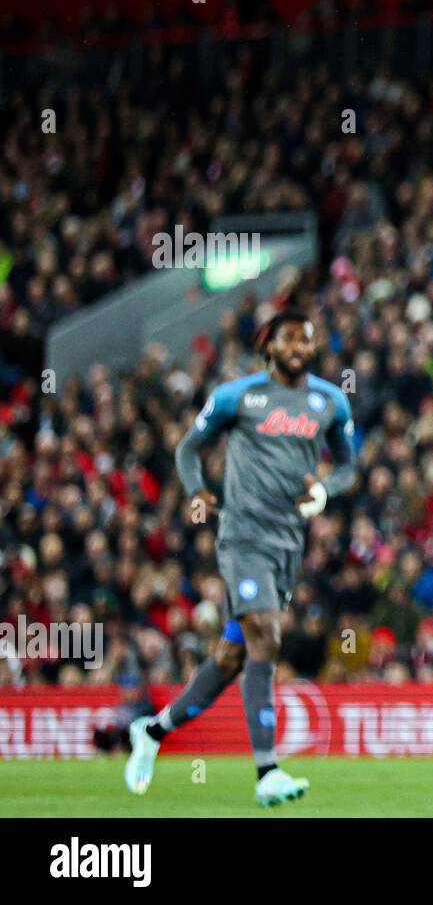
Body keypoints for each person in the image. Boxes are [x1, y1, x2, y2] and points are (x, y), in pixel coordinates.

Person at [123, 309, 357, 807]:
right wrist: (197, 491)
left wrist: (325, 490)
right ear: (269, 345)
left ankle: (153, 732)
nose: (299, 347)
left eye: (307, 340)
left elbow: (349, 466)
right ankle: (267, 771)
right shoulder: (238, 396)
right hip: (242, 536)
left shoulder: (330, 401)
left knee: (231, 657)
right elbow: (189, 449)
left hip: (288, 543)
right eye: (289, 338)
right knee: (267, 636)